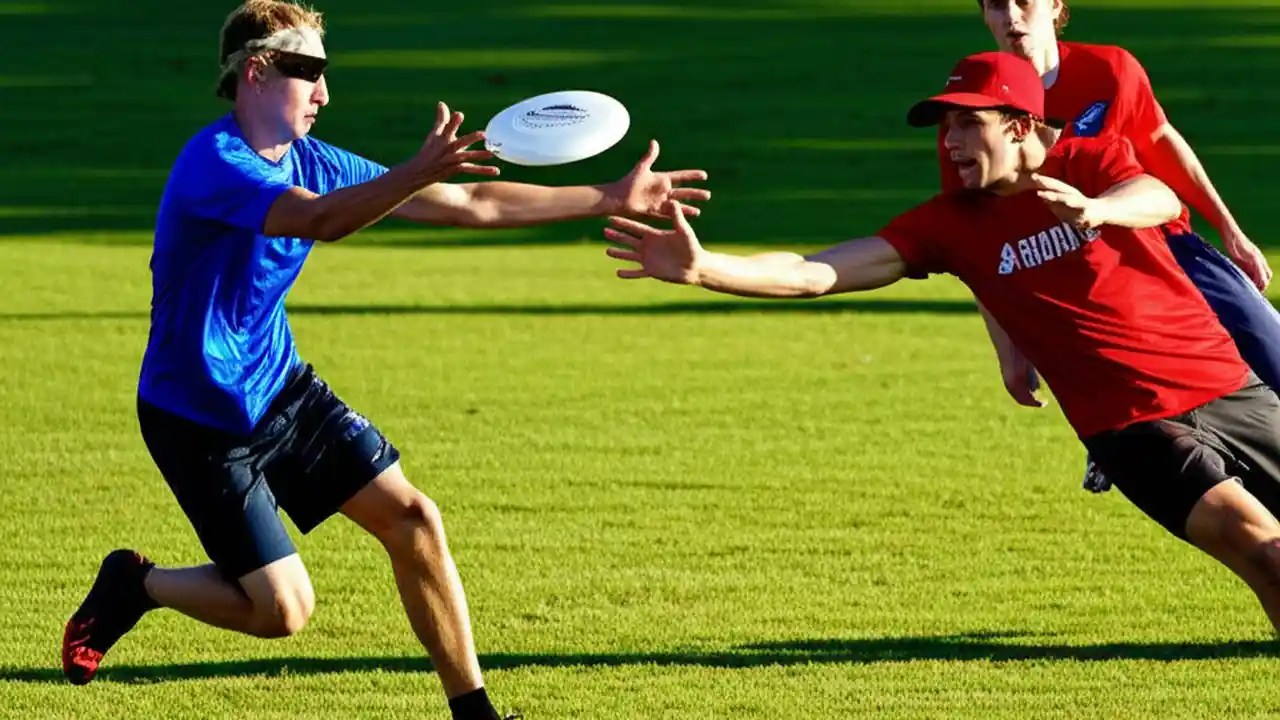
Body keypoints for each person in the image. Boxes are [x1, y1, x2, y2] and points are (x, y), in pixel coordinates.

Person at [60, 2, 710, 718]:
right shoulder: (213, 164)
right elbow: (317, 219)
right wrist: (410, 170)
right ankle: (136, 585)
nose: (324, 93)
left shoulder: (316, 158)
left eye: (325, 75)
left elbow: (469, 203)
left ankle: (475, 713)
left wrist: (608, 197)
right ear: (255, 71)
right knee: (281, 612)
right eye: (308, 73)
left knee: (414, 520)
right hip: (198, 416)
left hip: (278, 386)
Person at [602, 51, 1280, 632]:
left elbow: (1156, 195)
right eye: (943, 126)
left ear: (1018, 126)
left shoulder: (1091, 160)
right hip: (1134, 430)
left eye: (966, 123)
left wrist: (1096, 209)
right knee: (1262, 550)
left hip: (1229, 387)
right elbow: (817, 272)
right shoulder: (950, 224)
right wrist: (705, 269)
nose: (949, 142)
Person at [958, 0, 1280, 421]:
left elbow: (1159, 140)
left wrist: (1228, 228)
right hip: (1087, 280)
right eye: (997, 5)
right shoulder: (973, 111)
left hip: (1166, 245)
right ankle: (1125, 446)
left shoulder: (1110, 69)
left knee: (1266, 339)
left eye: (1024, 1)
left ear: (1055, 5)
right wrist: (1009, 348)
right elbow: (973, 237)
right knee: (1141, 392)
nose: (1012, 16)